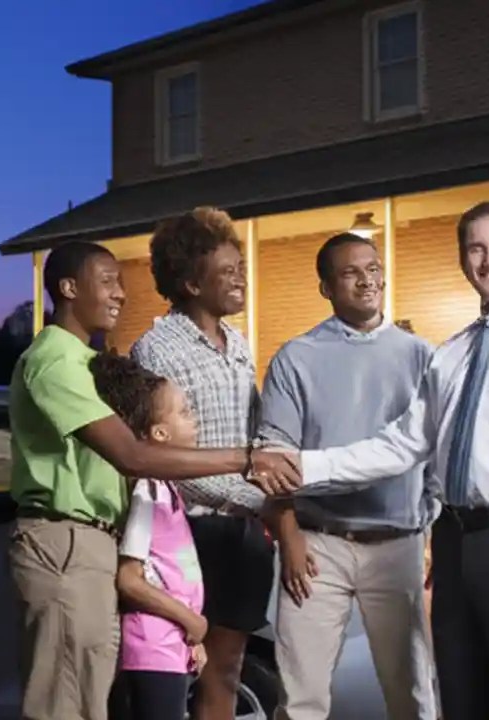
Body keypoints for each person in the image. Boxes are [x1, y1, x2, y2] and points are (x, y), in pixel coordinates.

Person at [287, 201, 489, 720]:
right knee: (461, 692)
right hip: (454, 542)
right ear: (463, 260)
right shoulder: (451, 354)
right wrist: (304, 466)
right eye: (476, 248)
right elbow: (403, 443)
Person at [7, 239, 301, 720]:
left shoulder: (85, 362)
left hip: (91, 544)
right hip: (65, 544)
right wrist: (246, 460)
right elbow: (134, 455)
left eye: (120, 281)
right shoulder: (56, 360)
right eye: (107, 281)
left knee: (86, 696)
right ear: (67, 288)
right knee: (66, 701)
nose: (120, 293)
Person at [259, 233, 437, 720]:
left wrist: (431, 538)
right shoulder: (296, 358)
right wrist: (289, 536)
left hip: (397, 543)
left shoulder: (422, 356)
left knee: (414, 694)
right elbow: (273, 459)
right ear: (325, 287)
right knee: (300, 698)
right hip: (318, 547)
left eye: (374, 269)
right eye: (351, 272)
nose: (368, 280)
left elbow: (436, 460)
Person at [129, 207, 272, 720]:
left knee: (227, 671)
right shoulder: (156, 349)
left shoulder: (238, 346)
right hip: (185, 535)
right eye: (227, 272)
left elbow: (255, 439)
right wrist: (267, 502)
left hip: (244, 532)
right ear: (191, 281)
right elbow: (164, 455)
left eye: (241, 270)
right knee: (176, 669)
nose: (240, 280)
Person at [89, 352, 207, 720]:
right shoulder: (146, 492)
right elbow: (130, 579)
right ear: (159, 434)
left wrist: (193, 639)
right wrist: (191, 621)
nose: (195, 421)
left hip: (173, 649)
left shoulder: (167, 490)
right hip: (152, 648)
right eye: (185, 413)